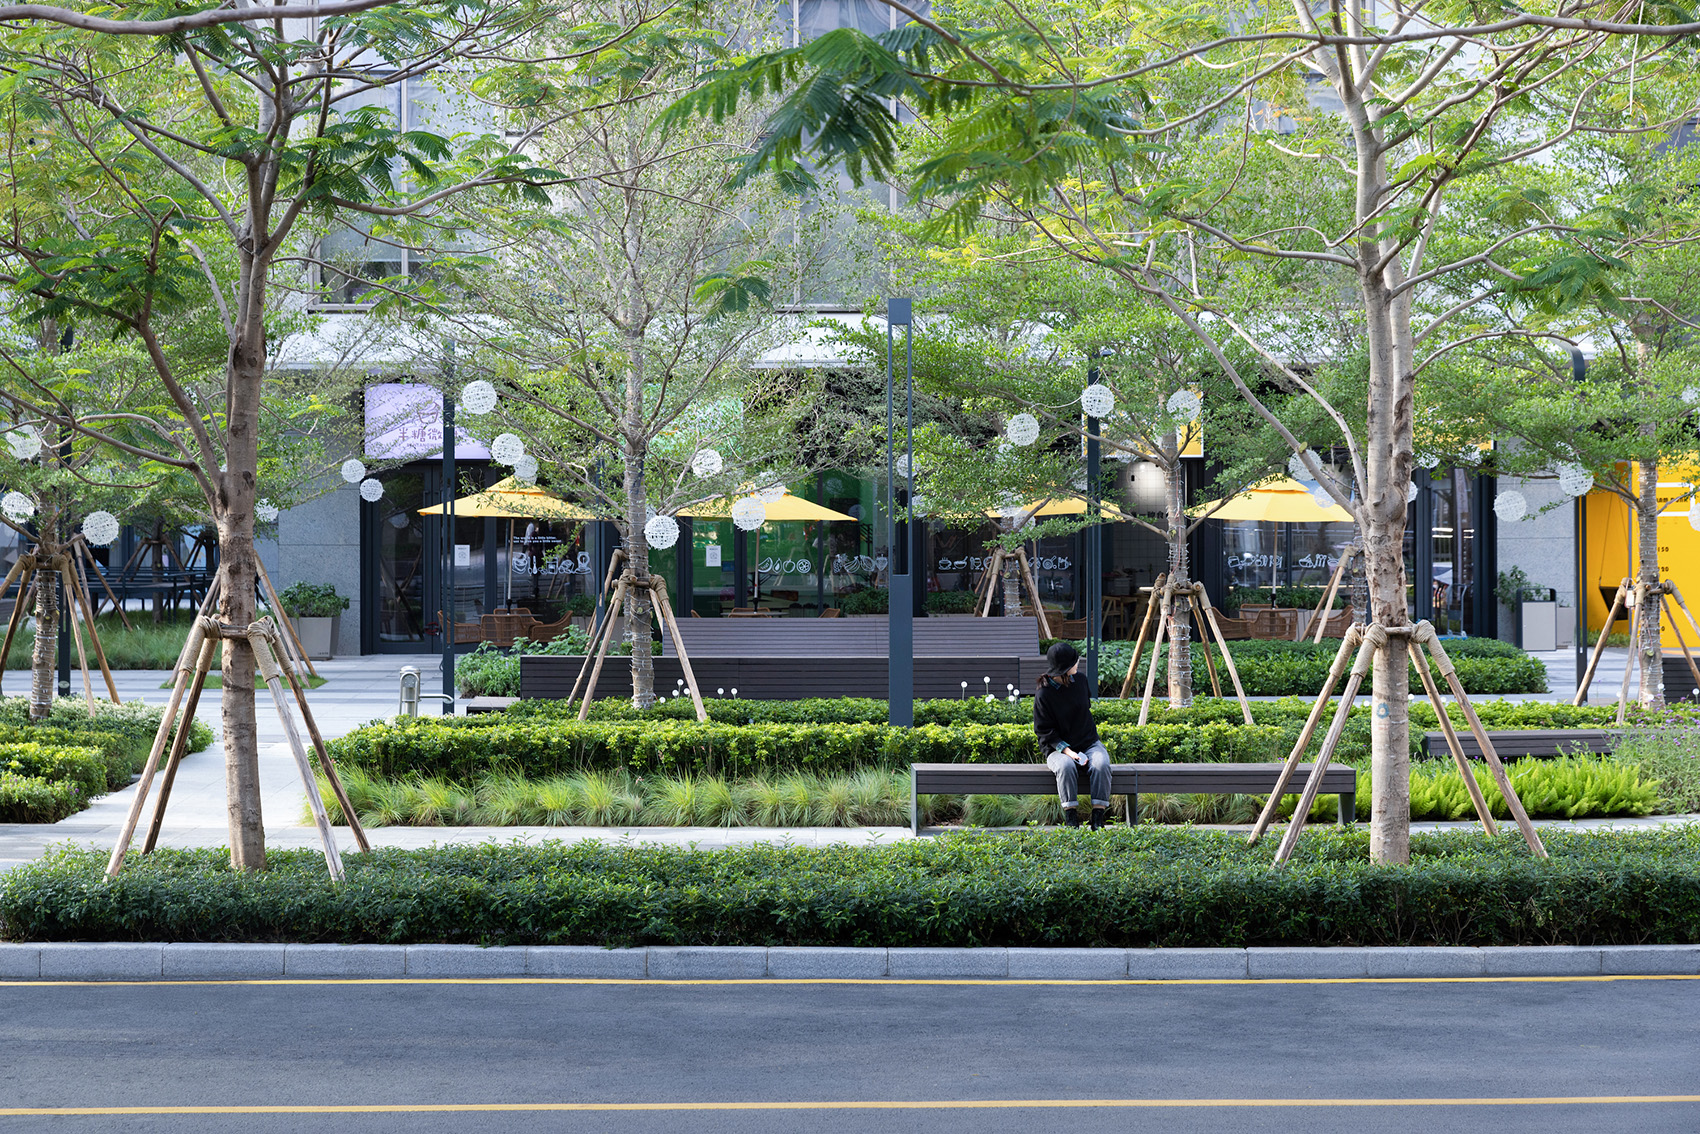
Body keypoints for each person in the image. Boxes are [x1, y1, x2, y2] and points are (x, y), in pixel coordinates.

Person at [1033, 641, 1111, 829]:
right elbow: (1044, 731)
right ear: (1065, 668)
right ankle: (1071, 819)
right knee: (1066, 766)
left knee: (1101, 764)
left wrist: (1083, 748)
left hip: (1089, 743)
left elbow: (1085, 711)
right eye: (1075, 661)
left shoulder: (1081, 681)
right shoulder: (1044, 694)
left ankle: (1098, 818)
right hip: (1057, 749)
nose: (1078, 664)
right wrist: (1068, 752)